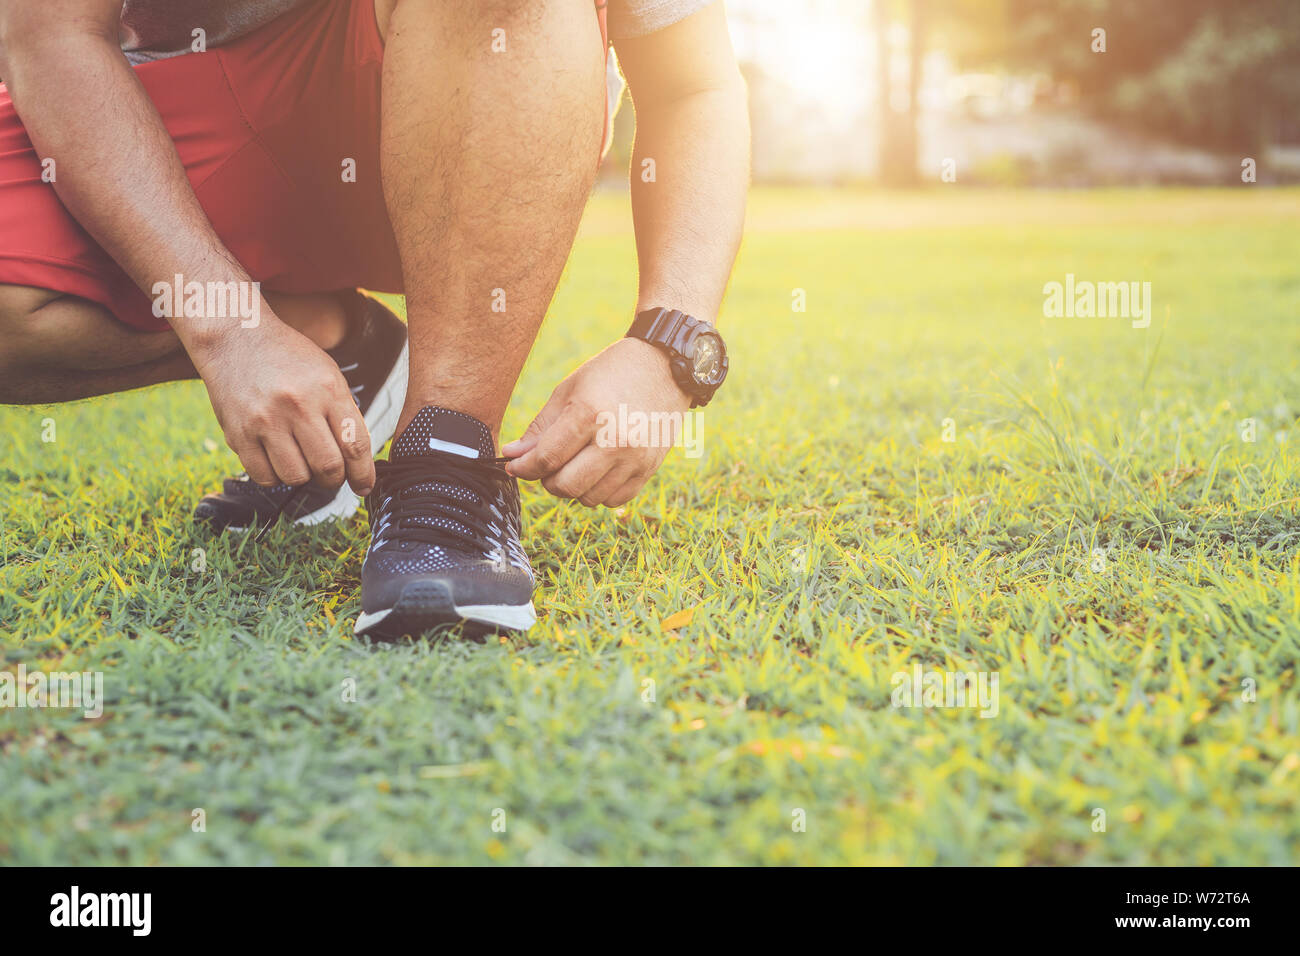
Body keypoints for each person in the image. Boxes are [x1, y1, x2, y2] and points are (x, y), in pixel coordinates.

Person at [0, 0, 748, 636]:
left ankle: (445, 457)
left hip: (461, 91)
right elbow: (50, 35)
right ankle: (337, 342)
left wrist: (667, 346)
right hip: (169, 112)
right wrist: (230, 327)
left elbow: (692, 84)